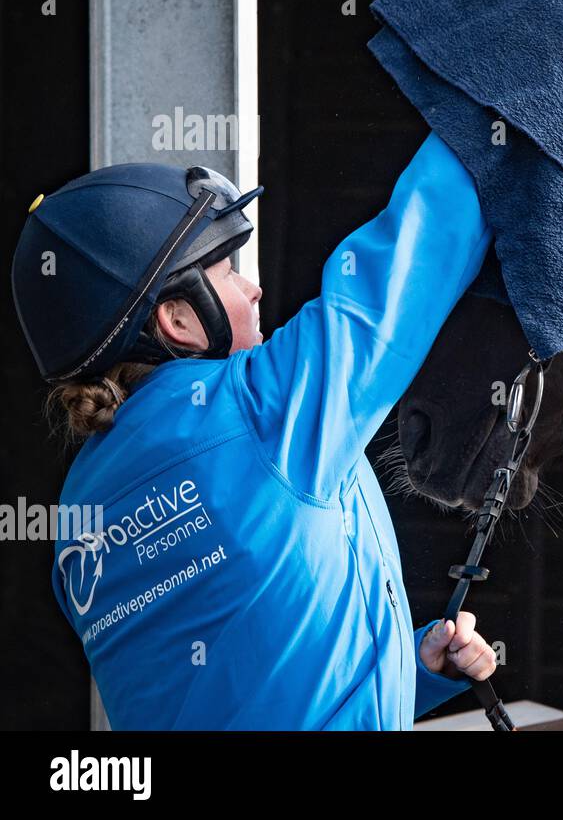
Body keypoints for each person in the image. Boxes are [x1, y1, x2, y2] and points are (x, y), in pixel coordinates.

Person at [11, 129, 498, 729]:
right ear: (179, 318)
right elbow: (415, 255)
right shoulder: (261, 411)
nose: (253, 287)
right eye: (224, 269)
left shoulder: (78, 523)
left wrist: (411, 669)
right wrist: (500, 101)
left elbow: (236, 685)